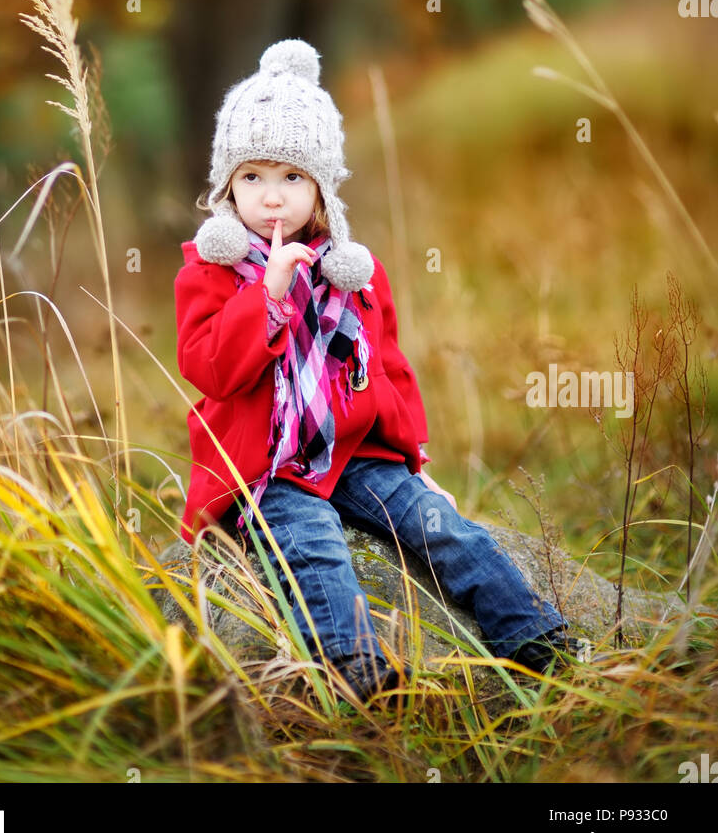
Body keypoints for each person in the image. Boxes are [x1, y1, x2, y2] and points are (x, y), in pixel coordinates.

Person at [174, 38, 570, 704]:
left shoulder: (350, 271)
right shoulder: (210, 273)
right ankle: (363, 675)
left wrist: (415, 464)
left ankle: (535, 639)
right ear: (226, 186)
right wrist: (264, 296)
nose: (271, 199)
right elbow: (211, 369)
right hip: (267, 467)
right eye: (252, 178)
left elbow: (386, 366)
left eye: (291, 178)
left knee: (442, 531)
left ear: (321, 186)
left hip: (353, 452)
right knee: (314, 548)